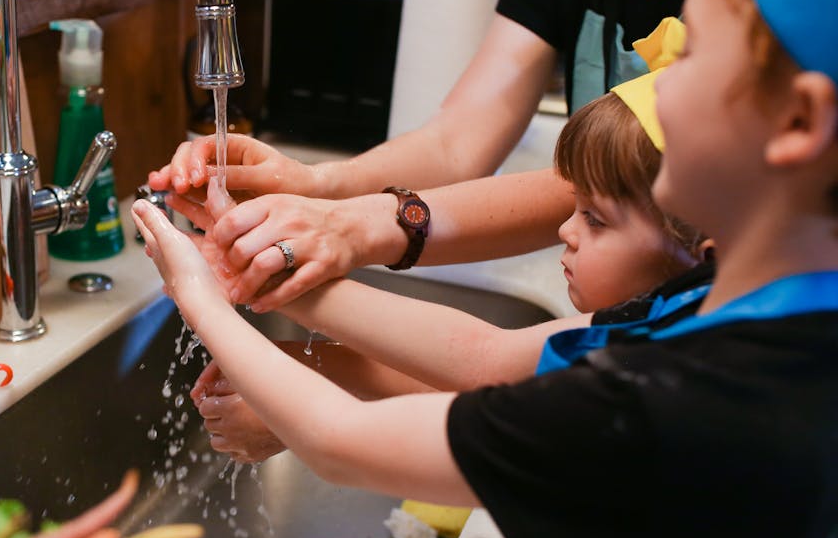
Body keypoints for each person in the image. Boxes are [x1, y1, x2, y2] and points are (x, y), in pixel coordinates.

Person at [131, 0, 838, 538]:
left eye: (690, 55)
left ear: (800, 121)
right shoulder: (713, 309)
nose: (652, 79)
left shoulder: (678, 399)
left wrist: (198, 290)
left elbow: (338, 439)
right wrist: (266, 264)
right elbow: (485, 359)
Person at [188, 32, 709, 462]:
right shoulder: (670, 315)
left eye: (595, 219)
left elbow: (484, 366)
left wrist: (263, 280)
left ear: (702, 250)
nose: (564, 230)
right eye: (573, 205)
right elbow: (488, 376)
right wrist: (305, 367)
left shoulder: (675, 347)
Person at [148, 0, 693, 311]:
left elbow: (630, 187)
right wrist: (316, 183)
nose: (569, 227)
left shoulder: (753, 4)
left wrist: (364, 225)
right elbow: (458, 141)